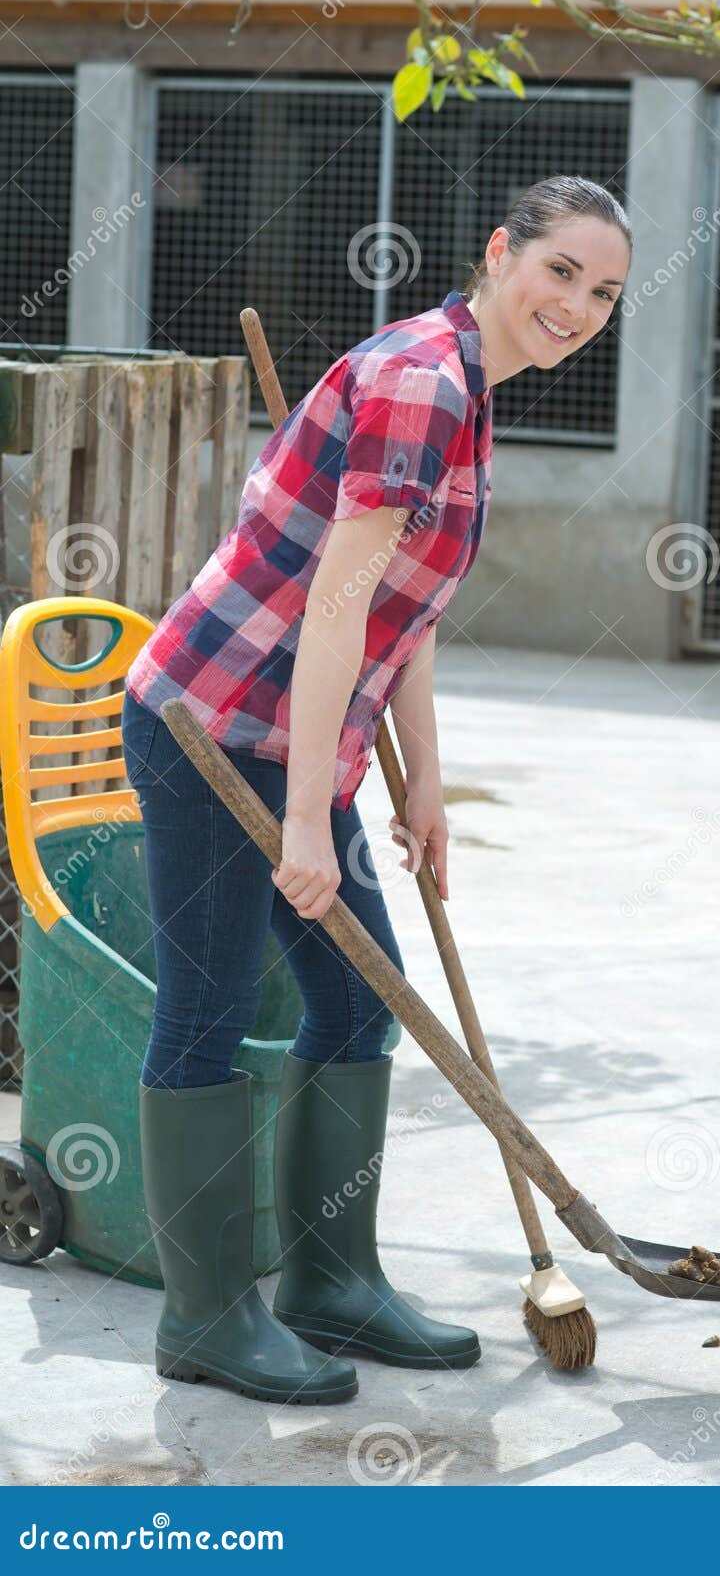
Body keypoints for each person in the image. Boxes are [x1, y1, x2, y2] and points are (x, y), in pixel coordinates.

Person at [121, 174, 633, 1403]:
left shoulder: (469, 387)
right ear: (499, 252)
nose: (576, 306)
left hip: (297, 739)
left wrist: (425, 788)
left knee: (358, 1003)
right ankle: (204, 1319)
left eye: (605, 292)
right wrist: (305, 819)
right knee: (205, 1013)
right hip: (215, 726)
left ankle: (330, 1280)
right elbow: (335, 611)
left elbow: (409, 612)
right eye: (560, 271)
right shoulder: (422, 383)